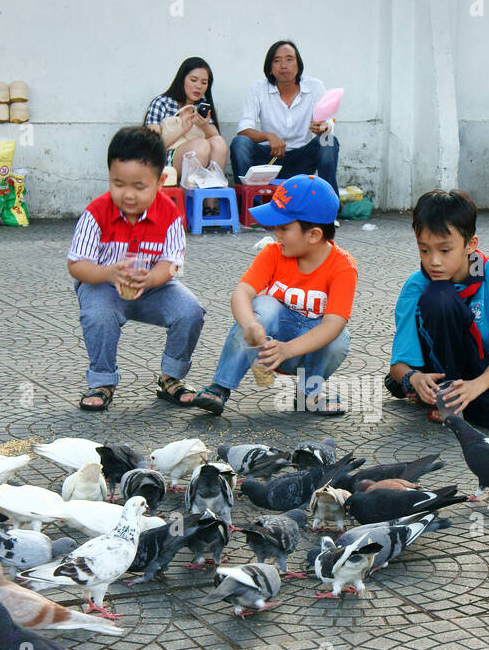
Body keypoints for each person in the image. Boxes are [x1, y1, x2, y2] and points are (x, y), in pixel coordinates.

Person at [66, 127, 204, 411]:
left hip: (154, 287)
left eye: (139, 186)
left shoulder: (169, 214)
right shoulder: (96, 213)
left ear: (160, 181)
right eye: (118, 184)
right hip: (102, 285)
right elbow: (77, 265)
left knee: (190, 311)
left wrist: (152, 278)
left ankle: (171, 378)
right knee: (99, 314)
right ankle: (102, 380)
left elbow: (172, 262)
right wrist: (108, 274)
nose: (128, 194)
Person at [192, 175, 355, 417]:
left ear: (314, 235)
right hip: (267, 343)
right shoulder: (273, 253)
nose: (276, 233)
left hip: (306, 348)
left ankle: (309, 392)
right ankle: (220, 386)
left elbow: (333, 324)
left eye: (284, 227)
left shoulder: (343, 267)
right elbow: (242, 292)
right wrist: (250, 325)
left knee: (339, 338)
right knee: (264, 305)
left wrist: (288, 350)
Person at [386, 189, 489, 430]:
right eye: (424, 250)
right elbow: (399, 365)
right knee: (438, 296)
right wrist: (413, 377)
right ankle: (433, 389)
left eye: (445, 250)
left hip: (484, 366)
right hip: (438, 367)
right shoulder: (416, 285)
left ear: (470, 244)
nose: (434, 261)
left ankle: (434, 395)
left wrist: (476, 387)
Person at [231, 40, 340, 194]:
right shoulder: (258, 88)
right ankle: (249, 204)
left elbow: (329, 121)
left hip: (303, 159)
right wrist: (268, 136)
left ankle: (329, 200)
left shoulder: (315, 87)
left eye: (289, 59)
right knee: (240, 143)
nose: (283, 65)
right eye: (277, 61)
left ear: (298, 65)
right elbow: (243, 129)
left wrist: (323, 127)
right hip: (270, 160)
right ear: (270, 69)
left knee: (328, 140)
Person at [143, 56, 227, 181]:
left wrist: (203, 125)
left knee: (218, 143)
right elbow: (152, 146)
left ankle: (210, 198)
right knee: (201, 146)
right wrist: (182, 128)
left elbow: (217, 139)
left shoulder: (202, 106)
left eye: (204, 83)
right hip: (165, 160)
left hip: (199, 161)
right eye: (193, 80)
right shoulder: (162, 103)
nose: (199, 86)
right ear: (182, 79)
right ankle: (187, 197)